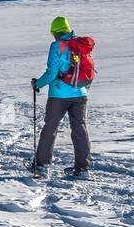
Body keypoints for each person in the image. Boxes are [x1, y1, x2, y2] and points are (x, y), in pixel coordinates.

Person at [30, 15, 91, 177]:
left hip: (59, 95)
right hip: (80, 92)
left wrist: (38, 84)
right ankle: (83, 169)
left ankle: (42, 166)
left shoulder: (57, 46)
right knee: (80, 129)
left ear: (55, 33)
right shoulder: (79, 44)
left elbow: (52, 73)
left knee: (50, 128)